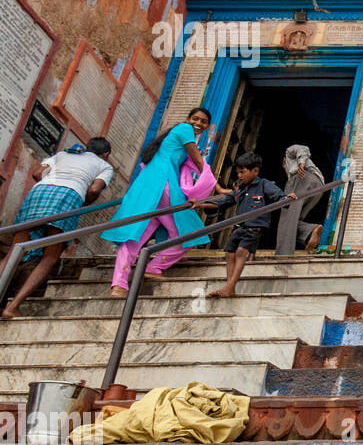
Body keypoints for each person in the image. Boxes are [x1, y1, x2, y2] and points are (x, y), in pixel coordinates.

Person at [101, 107, 214, 297]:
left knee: (136, 237)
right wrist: (217, 187)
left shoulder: (175, 138)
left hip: (150, 189)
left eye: (203, 121)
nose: (198, 123)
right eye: (195, 118)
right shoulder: (185, 129)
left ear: (207, 125)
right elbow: (199, 162)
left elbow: (191, 165)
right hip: (164, 186)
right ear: (188, 119)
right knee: (189, 233)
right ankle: (153, 268)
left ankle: (119, 285)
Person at [2, 138, 113, 318]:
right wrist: (81, 202)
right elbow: (94, 190)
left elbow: (38, 174)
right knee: (50, 257)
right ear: (106, 153)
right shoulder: (104, 165)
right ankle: (12, 307)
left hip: (38, 193)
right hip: (68, 197)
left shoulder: (63, 154)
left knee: (14, 253)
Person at [200, 152, 295, 299]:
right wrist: (200, 204)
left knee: (241, 252)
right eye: (237, 172)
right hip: (239, 226)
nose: (239, 175)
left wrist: (287, 198)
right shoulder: (240, 190)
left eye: (242, 172)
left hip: (254, 226)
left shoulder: (264, 185)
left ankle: (230, 286)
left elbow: (279, 196)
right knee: (230, 252)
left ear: (255, 171)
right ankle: (230, 285)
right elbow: (224, 201)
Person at [274, 145, 325, 255]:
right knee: (293, 220)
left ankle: (283, 255)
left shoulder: (288, 154)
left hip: (302, 180)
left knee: (286, 219)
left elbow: (302, 149)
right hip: (318, 186)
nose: (284, 167)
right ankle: (310, 230)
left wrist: (301, 163)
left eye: (283, 165)